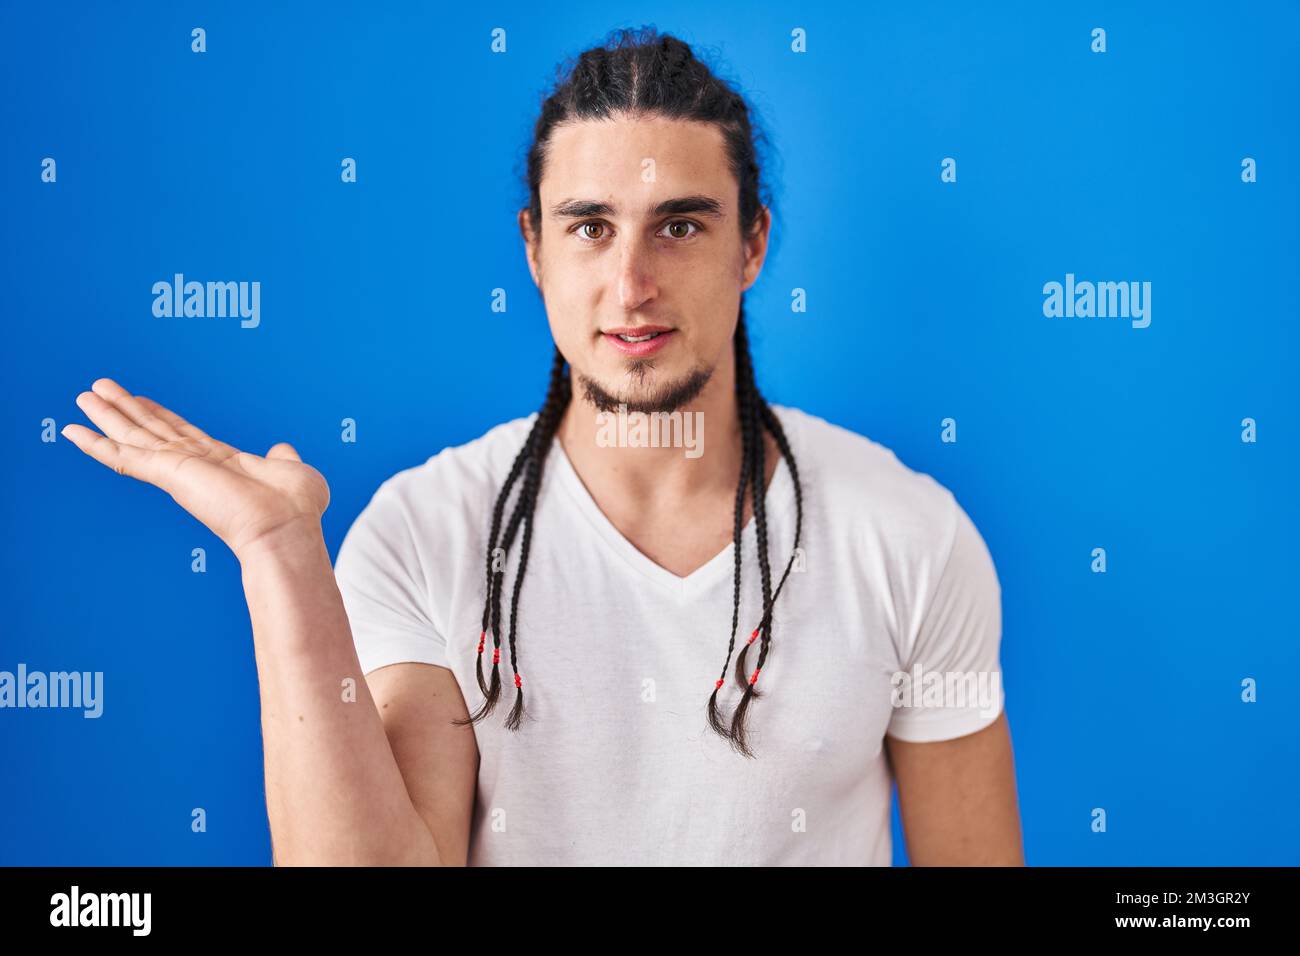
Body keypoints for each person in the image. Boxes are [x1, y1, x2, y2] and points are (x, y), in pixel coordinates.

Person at [61, 27, 1023, 866]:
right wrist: (280, 561)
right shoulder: (422, 533)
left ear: (752, 245)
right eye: (590, 228)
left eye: (680, 226)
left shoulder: (909, 534)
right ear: (534, 249)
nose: (632, 282)